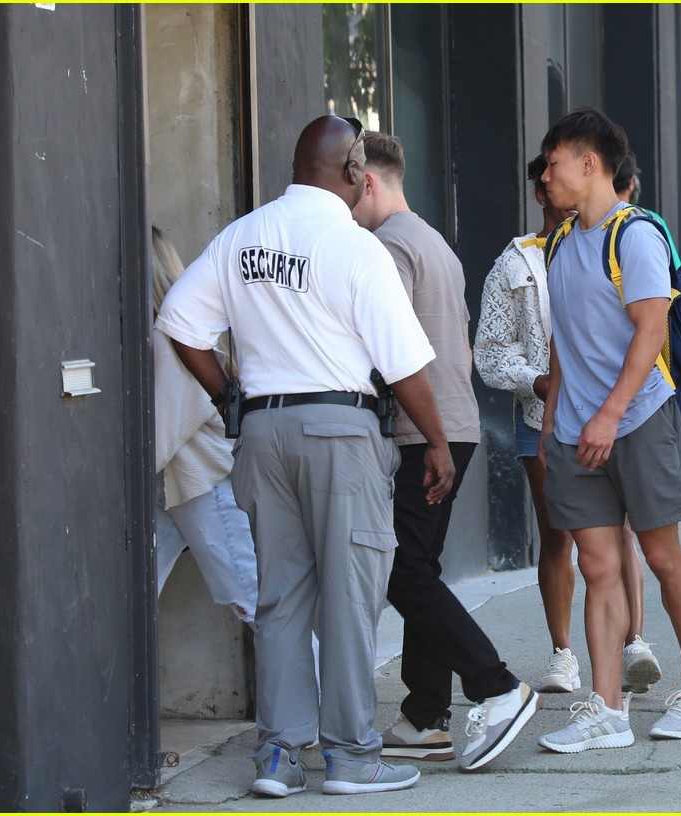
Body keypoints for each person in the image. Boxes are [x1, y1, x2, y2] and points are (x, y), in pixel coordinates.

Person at [156, 114, 450, 797]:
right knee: (350, 597)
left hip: (261, 431)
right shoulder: (353, 246)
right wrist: (436, 441)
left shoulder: (244, 235)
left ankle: (280, 756)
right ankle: (350, 757)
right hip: (337, 431)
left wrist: (227, 394)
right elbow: (404, 366)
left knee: (280, 597)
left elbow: (178, 319)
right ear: (352, 172)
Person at [351, 131, 540, 771]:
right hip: (448, 423)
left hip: (422, 429)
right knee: (418, 568)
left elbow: (389, 346)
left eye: (349, 187)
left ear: (367, 182)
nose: (345, 202)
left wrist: (426, 436)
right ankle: (424, 714)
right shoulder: (431, 240)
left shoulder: (385, 246)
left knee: (403, 572)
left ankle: (497, 685)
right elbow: (455, 349)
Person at [535, 107, 681, 754]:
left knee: (663, 557)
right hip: (576, 432)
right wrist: (554, 418)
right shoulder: (557, 242)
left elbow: (652, 330)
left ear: (590, 164)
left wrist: (609, 414)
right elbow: (566, 343)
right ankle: (606, 709)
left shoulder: (633, 235)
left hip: (638, 420)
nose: (546, 174)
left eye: (554, 162)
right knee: (598, 566)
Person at [472, 156, 660, 697]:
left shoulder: (623, 239)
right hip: (545, 418)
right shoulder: (517, 261)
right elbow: (488, 352)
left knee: (621, 532)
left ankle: (634, 644)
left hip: (621, 414)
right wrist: (538, 383)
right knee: (558, 535)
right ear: (540, 194)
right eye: (550, 181)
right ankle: (563, 654)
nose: (561, 186)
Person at [150, 226, 258, 624]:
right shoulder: (173, 334)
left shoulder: (166, 341)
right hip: (179, 489)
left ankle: (318, 687)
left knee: (255, 603)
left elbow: (161, 435)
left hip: (206, 487)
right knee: (129, 601)